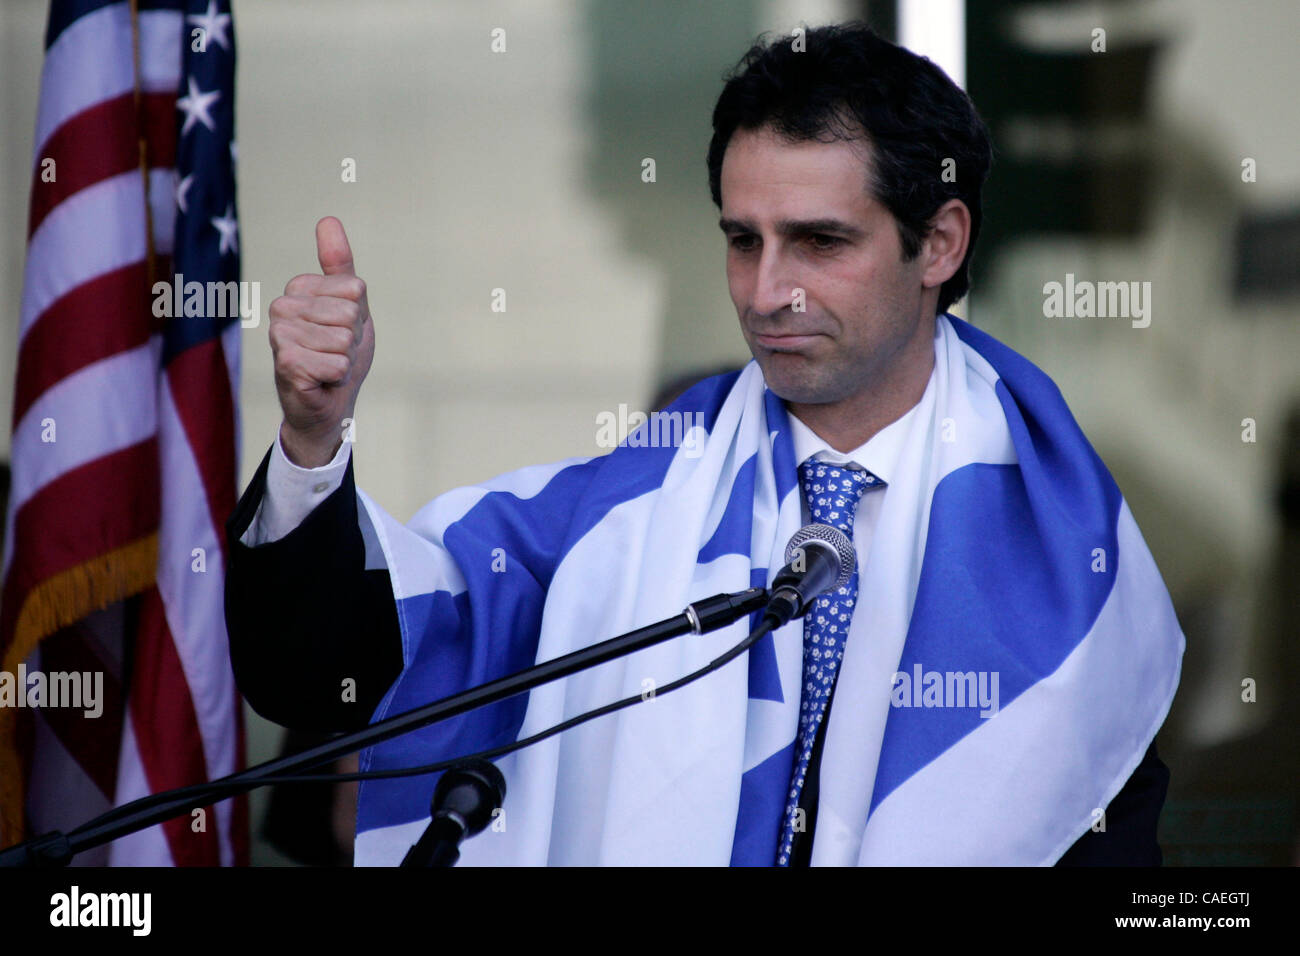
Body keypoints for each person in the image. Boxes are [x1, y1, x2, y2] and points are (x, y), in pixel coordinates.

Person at [225, 23, 1182, 866]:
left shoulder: (1068, 557)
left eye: (817, 242)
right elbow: (322, 672)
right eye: (742, 239)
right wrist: (314, 434)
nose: (766, 292)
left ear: (938, 244)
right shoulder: (621, 508)